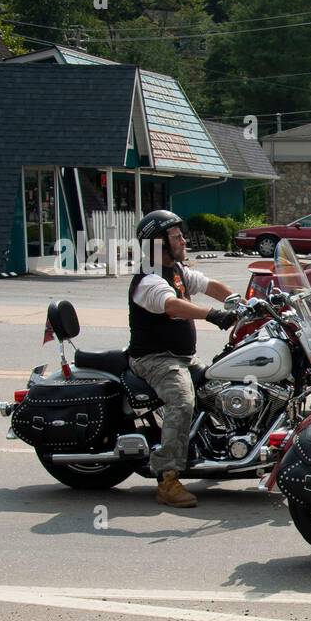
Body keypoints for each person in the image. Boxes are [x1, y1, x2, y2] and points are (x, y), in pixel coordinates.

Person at [127, 209, 239, 508]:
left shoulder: (177, 270)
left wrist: (243, 304)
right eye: (176, 237)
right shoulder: (148, 279)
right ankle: (167, 478)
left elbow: (209, 285)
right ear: (159, 244)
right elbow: (172, 306)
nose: (184, 241)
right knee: (182, 401)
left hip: (182, 358)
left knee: (219, 386)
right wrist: (213, 314)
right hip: (156, 359)